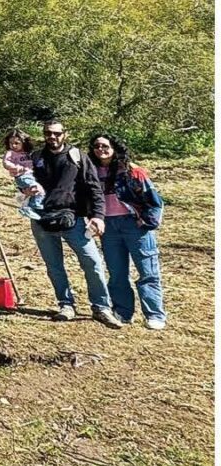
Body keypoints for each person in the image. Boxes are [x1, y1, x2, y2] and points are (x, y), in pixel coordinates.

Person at [28, 121, 120, 326]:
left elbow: (94, 188)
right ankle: (65, 305)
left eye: (56, 133)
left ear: (65, 134)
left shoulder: (77, 156)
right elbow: (22, 184)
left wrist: (98, 216)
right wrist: (24, 192)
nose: (52, 137)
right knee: (54, 266)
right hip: (41, 219)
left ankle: (101, 307)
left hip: (74, 219)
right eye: (48, 133)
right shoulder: (35, 158)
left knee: (93, 263)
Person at [89, 132, 165, 330]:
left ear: (114, 148)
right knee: (117, 273)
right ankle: (123, 312)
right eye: (97, 146)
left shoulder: (132, 171)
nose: (101, 150)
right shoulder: (91, 172)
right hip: (109, 226)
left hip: (134, 224)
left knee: (147, 271)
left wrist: (148, 222)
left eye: (105, 146)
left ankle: (154, 314)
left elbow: (153, 200)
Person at [2, 129, 43, 220]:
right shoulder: (11, 153)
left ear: (23, 142)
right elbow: (6, 163)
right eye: (11, 143)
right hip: (22, 176)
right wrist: (14, 167)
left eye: (16, 143)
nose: (13, 145)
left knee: (38, 190)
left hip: (31, 175)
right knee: (37, 188)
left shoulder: (27, 153)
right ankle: (33, 206)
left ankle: (29, 206)